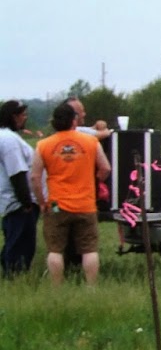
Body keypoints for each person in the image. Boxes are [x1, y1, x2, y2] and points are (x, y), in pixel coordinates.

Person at [30, 102, 111, 286]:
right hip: (85, 203)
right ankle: (91, 287)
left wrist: (42, 202)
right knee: (89, 249)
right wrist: (95, 182)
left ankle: (56, 288)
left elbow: (35, 177)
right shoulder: (90, 141)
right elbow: (105, 168)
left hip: (57, 204)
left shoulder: (43, 145)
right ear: (74, 121)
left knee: (55, 249)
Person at [1, 100, 40, 278]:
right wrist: (26, 202)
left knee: (18, 242)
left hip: (17, 202)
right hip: (18, 203)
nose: (25, 118)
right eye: (23, 115)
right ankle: (14, 277)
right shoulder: (9, 140)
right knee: (20, 244)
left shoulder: (9, 137)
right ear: (14, 117)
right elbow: (17, 173)